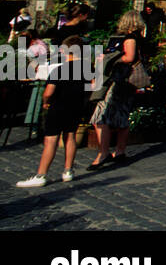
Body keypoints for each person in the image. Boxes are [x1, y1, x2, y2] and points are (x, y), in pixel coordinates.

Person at [16, 36, 87, 187]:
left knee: (51, 140)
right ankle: (68, 171)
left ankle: (41, 174)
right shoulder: (86, 68)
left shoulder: (60, 69)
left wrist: (45, 102)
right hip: (75, 106)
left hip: (58, 106)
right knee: (71, 136)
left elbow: (49, 91)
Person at [88, 11, 147, 170]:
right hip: (128, 82)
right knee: (121, 115)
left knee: (101, 116)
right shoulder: (139, 39)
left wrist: (110, 58)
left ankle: (103, 153)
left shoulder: (129, 39)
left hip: (120, 81)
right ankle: (119, 151)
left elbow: (129, 57)